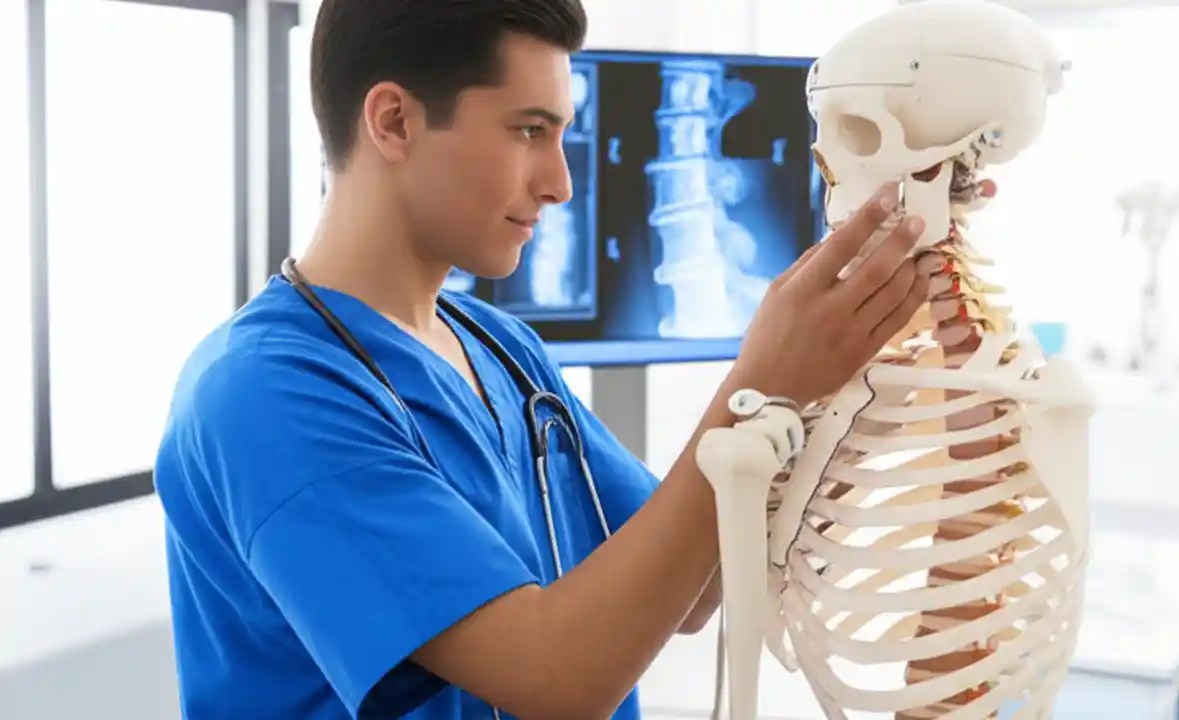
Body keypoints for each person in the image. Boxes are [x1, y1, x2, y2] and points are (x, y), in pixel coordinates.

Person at [151, 1, 944, 718]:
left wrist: (829, 375)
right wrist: (761, 380)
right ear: (392, 121)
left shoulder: (504, 348)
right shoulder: (264, 393)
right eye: (529, 130)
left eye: (562, 132)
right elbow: (556, 682)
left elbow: (694, 589)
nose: (561, 182)